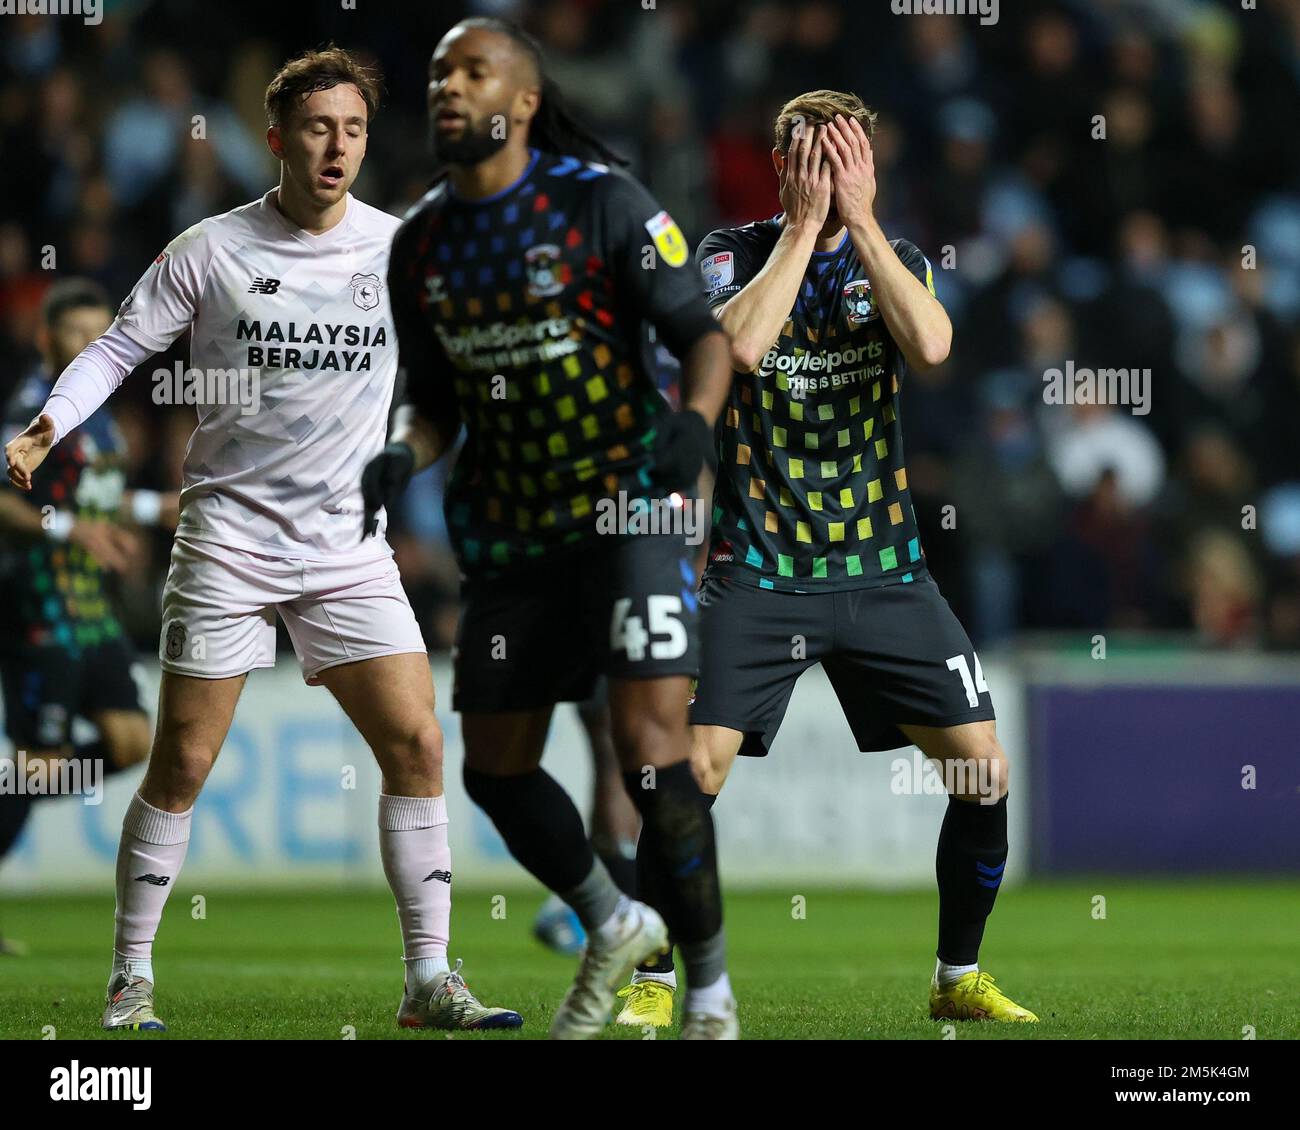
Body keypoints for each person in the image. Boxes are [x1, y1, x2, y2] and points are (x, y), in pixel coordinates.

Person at [4, 47, 519, 1033]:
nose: (338, 148)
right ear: (277, 138)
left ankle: (427, 980)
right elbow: (116, 345)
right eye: (319, 129)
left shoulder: (403, 246)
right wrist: (47, 425)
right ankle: (130, 979)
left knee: (416, 739)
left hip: (347, 544)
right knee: (182, 763)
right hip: (230, 537)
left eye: (355, 129)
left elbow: (465, 355)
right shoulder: (212, 248)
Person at [619, 89, 1037, 1026]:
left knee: (984, 770)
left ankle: (956, 977)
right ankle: (650, 975)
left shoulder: (902, 260)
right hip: (759, 573)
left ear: (870, 164)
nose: (830, 172)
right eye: (812, 157)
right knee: (693, 778)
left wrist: (864, 222)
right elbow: (732, 353)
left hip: (886, 571)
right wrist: (806, 230)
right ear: (781, 166)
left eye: (846, 155)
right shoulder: (728, 253)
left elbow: (932, 345)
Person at [363, 17, 737, 1039]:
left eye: (473, 71)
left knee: (652, 758)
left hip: (625, 514)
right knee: (493, 768)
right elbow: (431, 398)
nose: (449, 87)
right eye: (439, 71)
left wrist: (694, 429)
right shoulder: (421, 243)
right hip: (510, 536)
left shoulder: (601, 204)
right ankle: (613, 917)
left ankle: (706, 991)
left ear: (522, 101)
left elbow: (701, 339)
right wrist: (403, 451)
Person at [0, 279, 176, 957]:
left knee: (132, 741)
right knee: (38, 764)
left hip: (89, 607)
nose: (90, 347)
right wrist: (68, 529)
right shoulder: (25, 409)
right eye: (76, 334)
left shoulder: (97, 413)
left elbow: (90, 494)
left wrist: (148, 510)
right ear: (46, 339)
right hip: (36, 607)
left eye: (101, 335)